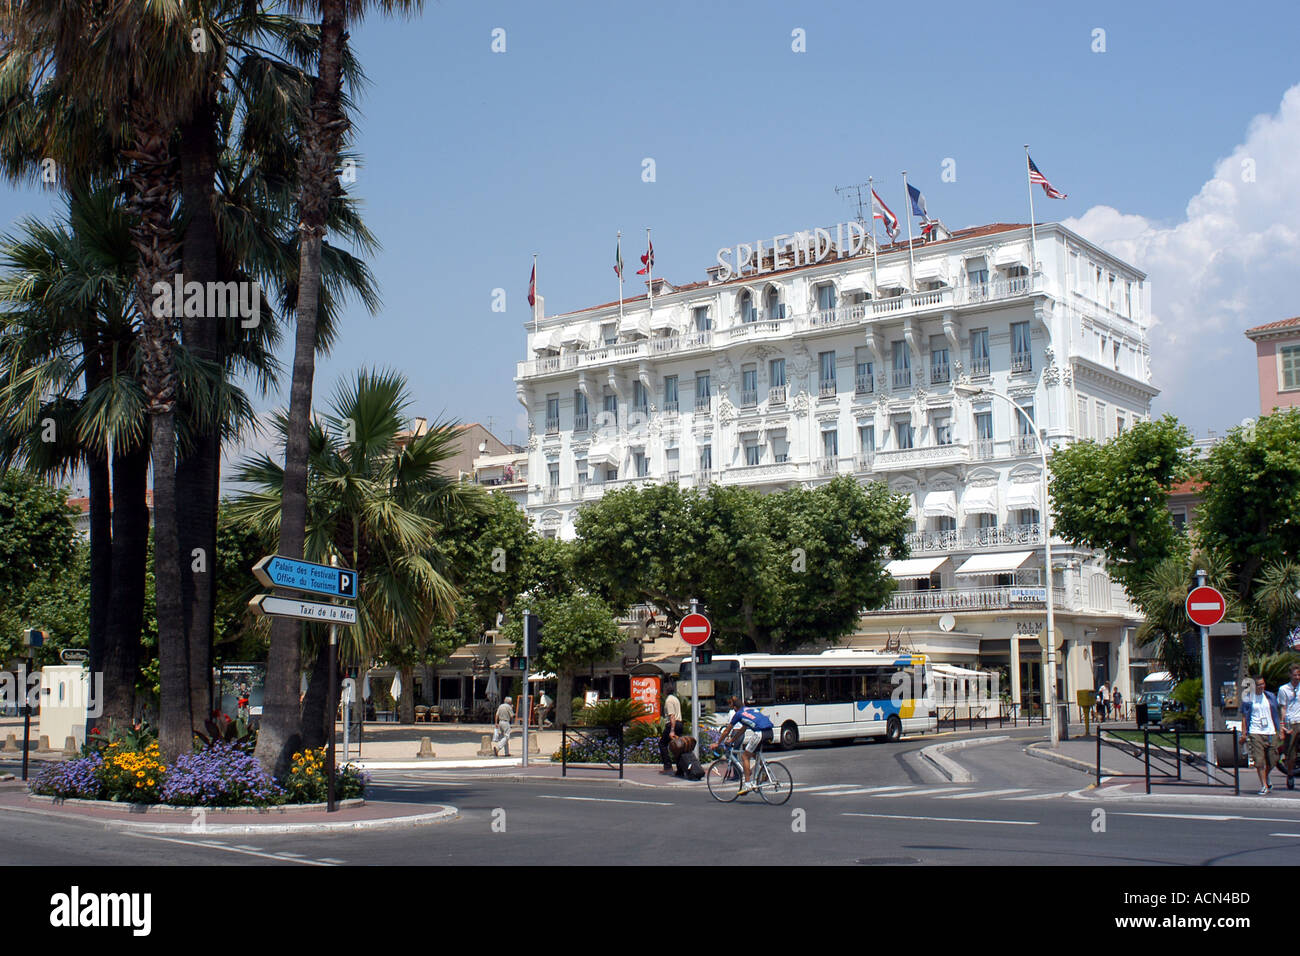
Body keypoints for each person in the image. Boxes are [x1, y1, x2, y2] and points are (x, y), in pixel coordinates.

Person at [718, 700, 774, 794]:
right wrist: (732, 740)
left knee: (744, 756)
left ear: (735, 708)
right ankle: (765, 769)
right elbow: (742, 730)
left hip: (760, 733)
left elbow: (726, 731)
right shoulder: (748, 710)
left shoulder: (738, 714)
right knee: (752, 753)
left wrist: (717, 743)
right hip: (769, 732)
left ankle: (747, 785)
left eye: (732, 707)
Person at [1240, 675, 1281, 795]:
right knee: (1259, 761)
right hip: (1255, 731)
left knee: (1273, 759)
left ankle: (1266, 776)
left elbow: (1276, 713)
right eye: (1258, 684)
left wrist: (1280, 729)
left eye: (1262, 684)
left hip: (1270, 731)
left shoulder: (1270, 696)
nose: (1261, 686)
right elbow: (1244, 717)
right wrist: (1244, 733)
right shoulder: (1248, 698)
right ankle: (1263, 785)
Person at [1278, 666, 1300, 779]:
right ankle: (1290, 774)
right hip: (1291, 722)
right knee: (1291, 752)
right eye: (1295, 675)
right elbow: (1283, 707)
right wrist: (1282, 725)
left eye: (1299, 675)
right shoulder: (1283, 689)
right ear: (1290, 675)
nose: (1297, 677)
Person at [659, 681, 683, 775]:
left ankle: (668, 766)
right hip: (680, 723)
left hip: (672, 725)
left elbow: (672, 716)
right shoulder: (675, 699)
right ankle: (680, 768)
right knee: (678, 747)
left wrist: (672, 730)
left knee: (662, 744)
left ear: (665, 691)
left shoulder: (668, 700)